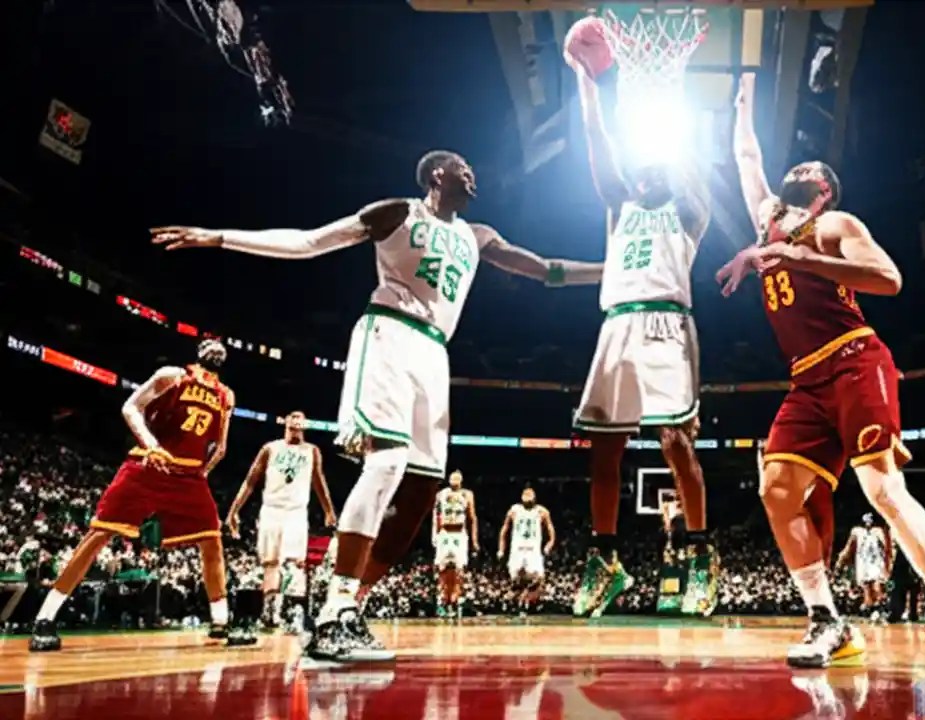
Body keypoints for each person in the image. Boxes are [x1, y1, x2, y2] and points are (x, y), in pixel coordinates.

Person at [150, 149, 604, 661]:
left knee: (421, 491)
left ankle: (349, 609)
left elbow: (545, 270)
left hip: (436, 354)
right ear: (437, 174)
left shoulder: (478, 236)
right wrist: (218, 237)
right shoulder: (396, 212)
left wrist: (610, 274)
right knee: (386, 461)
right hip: (389, 334)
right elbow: (308, 242)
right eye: (461, 165)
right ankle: (331, 611)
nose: (472, 171)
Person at [718, 72, 925, 670]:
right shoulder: (769, 220)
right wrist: (743, 94)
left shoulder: (835, 228)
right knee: (776, 491)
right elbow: (745, 156)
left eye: (816, 170)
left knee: (881, 491)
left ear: (825, 193)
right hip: (806, 379)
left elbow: (890, 280)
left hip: (855, 359)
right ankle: (829, 621)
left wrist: (799, 256)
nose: (805, 167)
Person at [562, 47, 717, 618]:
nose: (646, 174)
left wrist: (674, 92)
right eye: (642, 167)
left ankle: (700, 555)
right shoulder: (618, 206)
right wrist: (585, 81)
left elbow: (690, 168)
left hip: (665, 323)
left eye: (658, 168)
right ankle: (605, 561)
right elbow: (598, 148)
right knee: (605, 450)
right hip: (616, 326)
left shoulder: (688, 211)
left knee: (676, 442)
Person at [29, 340, 255, 651]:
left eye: (219, 346)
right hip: (147, 464)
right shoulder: (172, 375)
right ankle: (45, 618)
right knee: (98, 535)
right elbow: (130, 406)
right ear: (198, 352)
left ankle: (221, 622)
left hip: (188, 475)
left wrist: (202, 472)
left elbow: (221, 446)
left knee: (213, 541)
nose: (214, 348)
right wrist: (151, 445)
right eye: (208, 344)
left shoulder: (225, 395)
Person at [224, 410, 337, 632]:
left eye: (301, 418)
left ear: (305, 424)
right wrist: (233, 511)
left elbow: (319, 482)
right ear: (286, 422)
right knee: (270, 562)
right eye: (293, 417)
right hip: (271, 509)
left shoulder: (312, 451)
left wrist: (329, 511)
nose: (296, 421)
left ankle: (294, 611)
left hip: (296, 511)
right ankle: (271, 610)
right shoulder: (270, 448)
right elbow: (250, 481)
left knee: (296, 562)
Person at [497, 486, 555, 615]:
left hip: (533, 549)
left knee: (538, 579)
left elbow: (551, 530)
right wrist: (501, 549)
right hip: (517, 548)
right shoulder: (514, 510)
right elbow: (504, 530)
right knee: (517, 579)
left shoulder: (542, 511)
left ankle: (526, 603)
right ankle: (517, 605)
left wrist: (549, 545)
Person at [432, 470, 477, 618]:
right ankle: (442, 602)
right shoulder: (441, 494)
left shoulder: (467, 495)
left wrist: (474, 540)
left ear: (461, 480)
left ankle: (455, 602)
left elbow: (472, 518)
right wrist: (435, 535)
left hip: (459, 534)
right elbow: (436, 516)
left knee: (459, 571)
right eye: (452, 477)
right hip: (445, 533)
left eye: (458, 478)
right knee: (442, 569)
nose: (455, 480)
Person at [835, 514, 890, 621]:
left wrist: (888, 564)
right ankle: (871, 612)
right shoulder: (857, 531)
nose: (868, 524)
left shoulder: (878, 531)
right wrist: (840, 562)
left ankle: (881, 610)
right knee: (866, 588)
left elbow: (888, 548)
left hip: (876, 562)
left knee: (877, 586)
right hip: (863, 562)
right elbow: (849, 547)